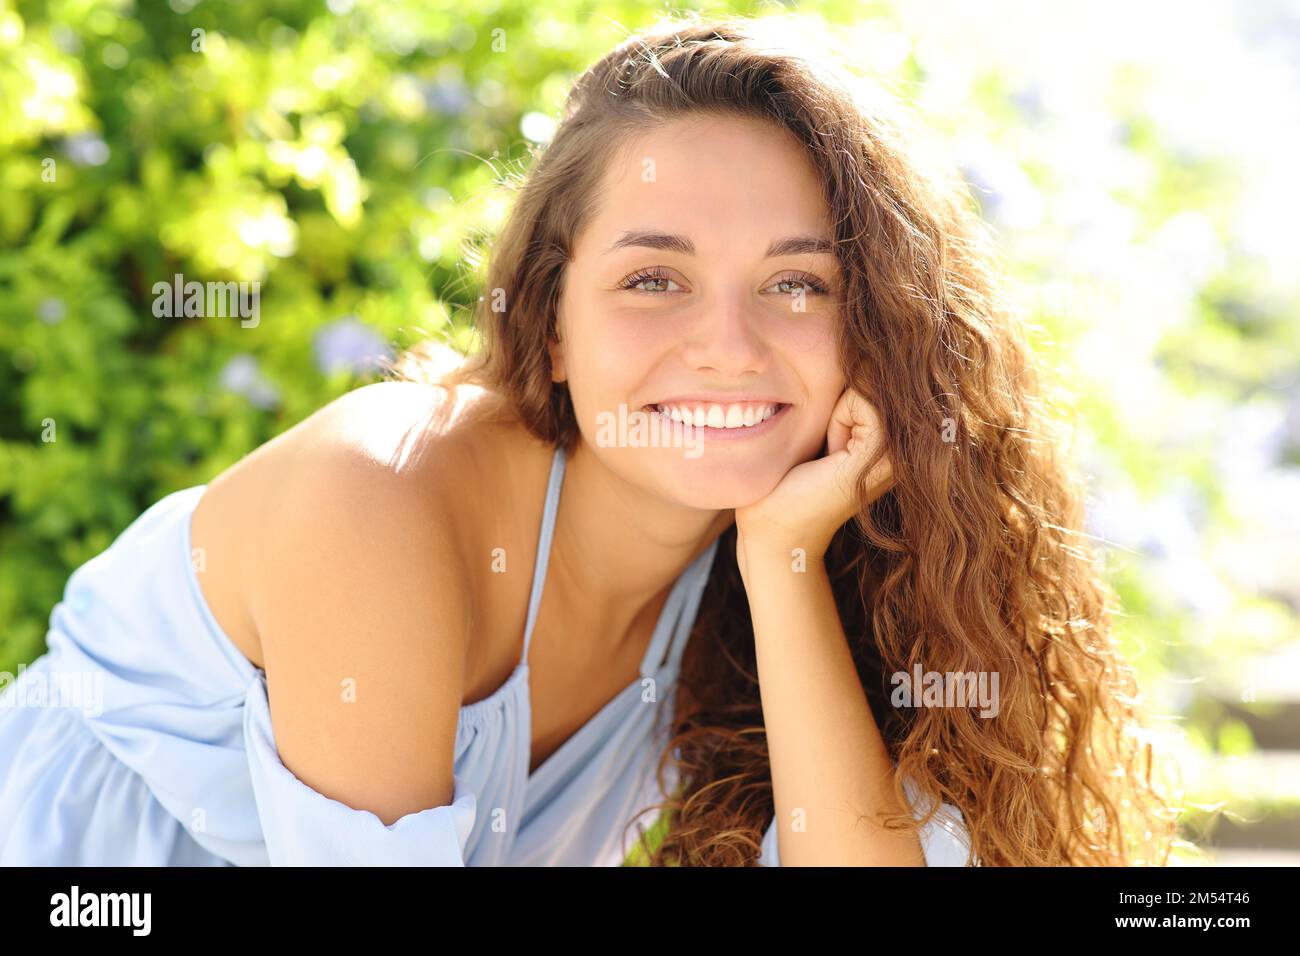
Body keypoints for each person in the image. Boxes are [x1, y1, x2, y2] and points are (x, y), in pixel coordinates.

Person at [0, 14, 1177, 866]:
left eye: (798, 285)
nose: (727, 344)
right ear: (548, 322)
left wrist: (782, 560)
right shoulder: (379, 502)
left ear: (872, 335)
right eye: (654, 277)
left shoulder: (755, 570)